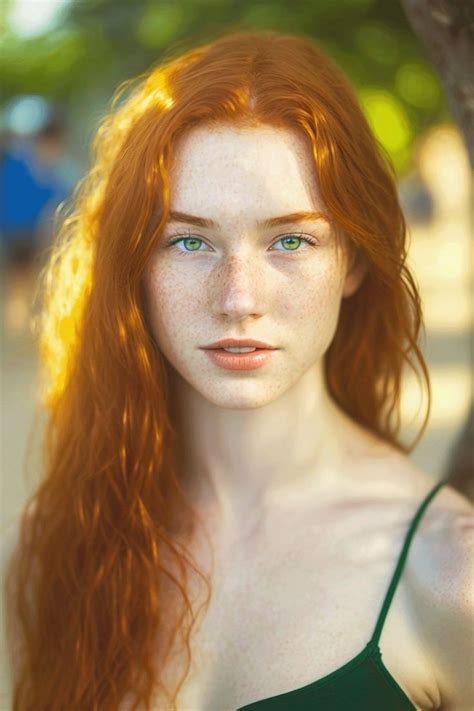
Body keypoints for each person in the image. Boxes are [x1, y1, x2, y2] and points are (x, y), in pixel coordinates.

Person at [2, 30, 473, 711]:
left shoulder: (449, 575)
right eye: (189, 240)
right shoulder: (50, 555)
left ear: (355, 261)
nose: (239, 297)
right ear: (135, 264)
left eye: (291, 239)